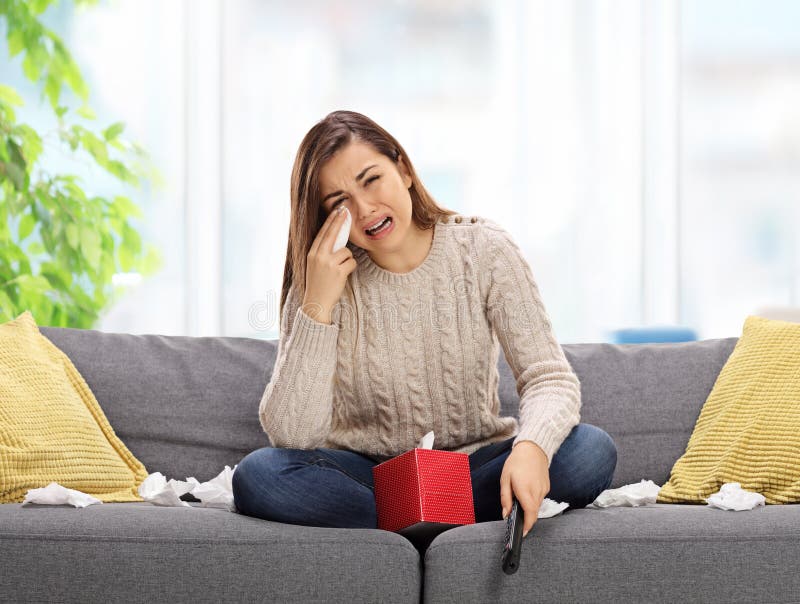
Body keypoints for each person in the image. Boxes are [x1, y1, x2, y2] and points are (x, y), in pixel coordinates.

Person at [232, 110, 617, 544]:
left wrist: (532, 449)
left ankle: (417, 522)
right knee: (259, 475)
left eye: (371, 180)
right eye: (339, 202)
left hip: (471, 466)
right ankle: (440, 521)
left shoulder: (483, 249)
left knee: (590, 451)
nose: (364, 209)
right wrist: (317, 306)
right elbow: (292, 435)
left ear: (404, 169)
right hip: (370, 476)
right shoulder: (320, 280)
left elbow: (549, 378)